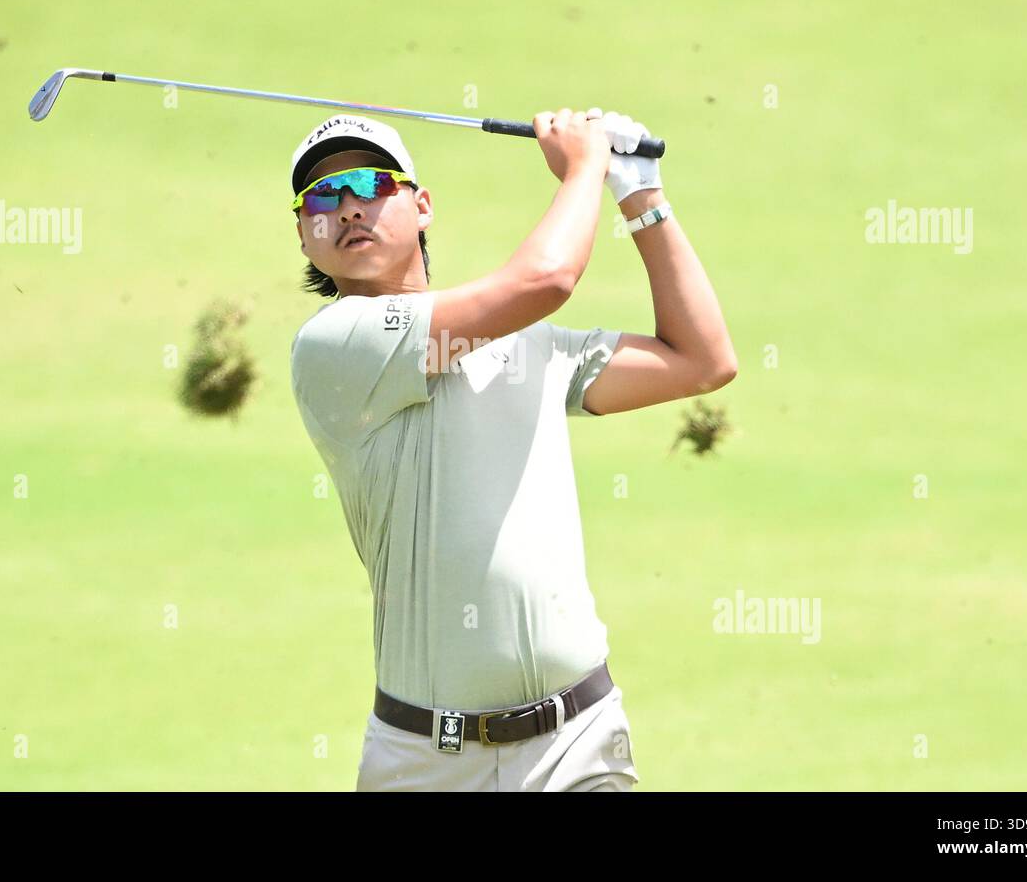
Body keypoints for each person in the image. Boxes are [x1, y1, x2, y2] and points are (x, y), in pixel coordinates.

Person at [287, 108, 737, 791]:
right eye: (322, 196)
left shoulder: (527, 349)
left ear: (422, 205)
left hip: (579, 744)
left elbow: (700, 359)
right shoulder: (335, 346)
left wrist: (641, 194)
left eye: (371, 184)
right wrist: (586, 167)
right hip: (424, 762)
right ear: (303, 233)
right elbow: (545, 281)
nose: (348, 208)